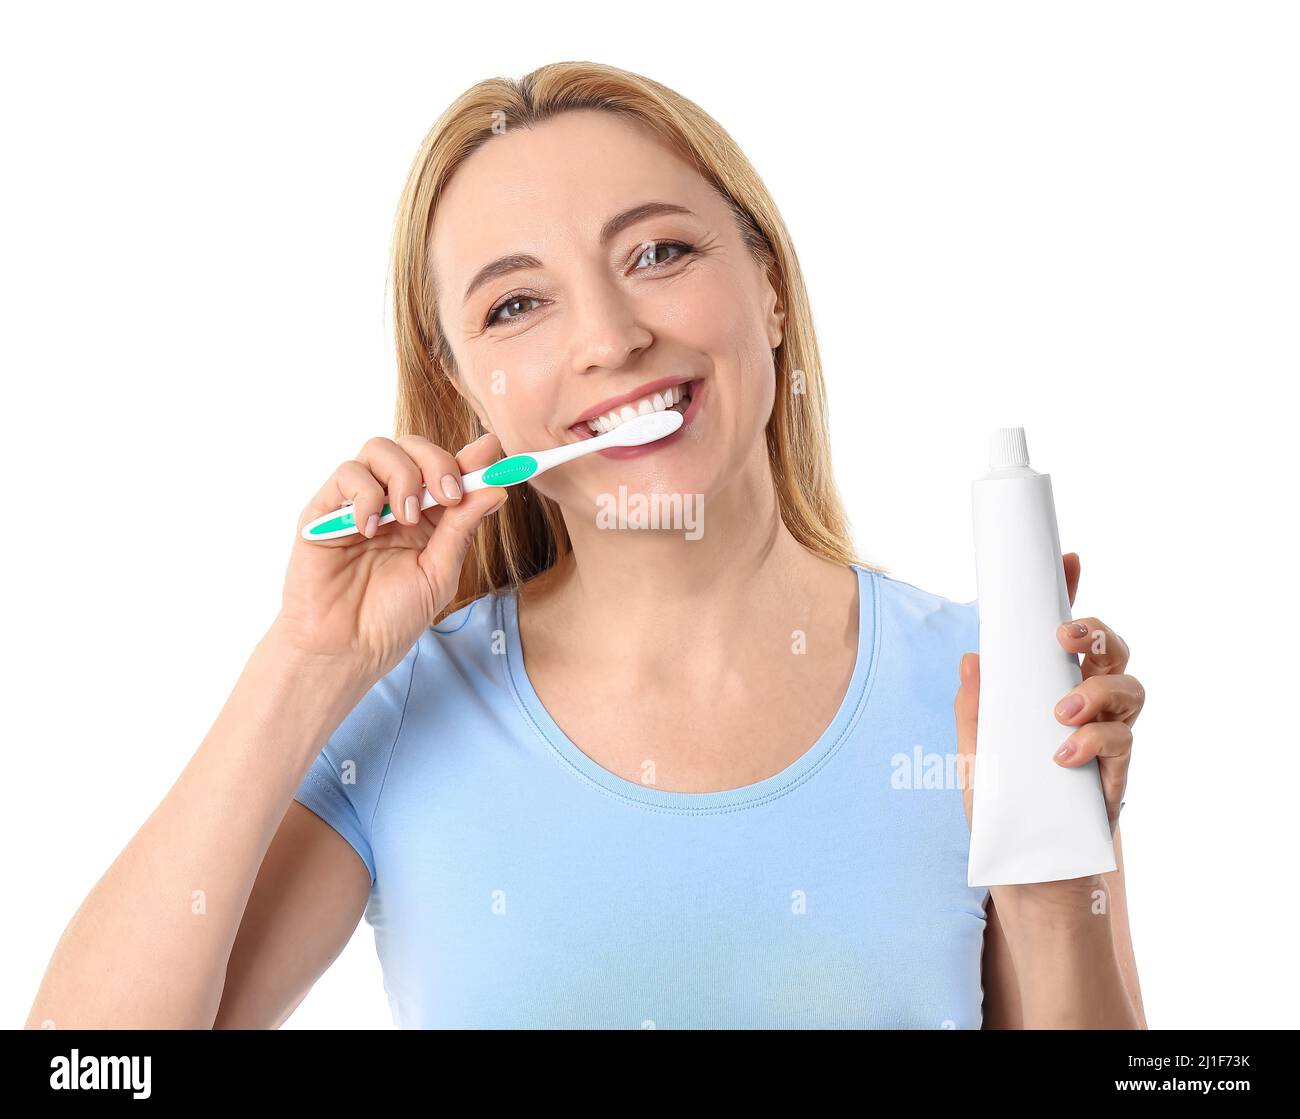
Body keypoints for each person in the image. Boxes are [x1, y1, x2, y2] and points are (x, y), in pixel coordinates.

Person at [27, 60, 1146, 1029]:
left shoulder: (977, 690)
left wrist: (1054, 886)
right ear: (466, 384)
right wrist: (305, 663)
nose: (612, 338)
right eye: (517, 306)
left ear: (767, 288)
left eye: (659, 251)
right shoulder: (409, 711)